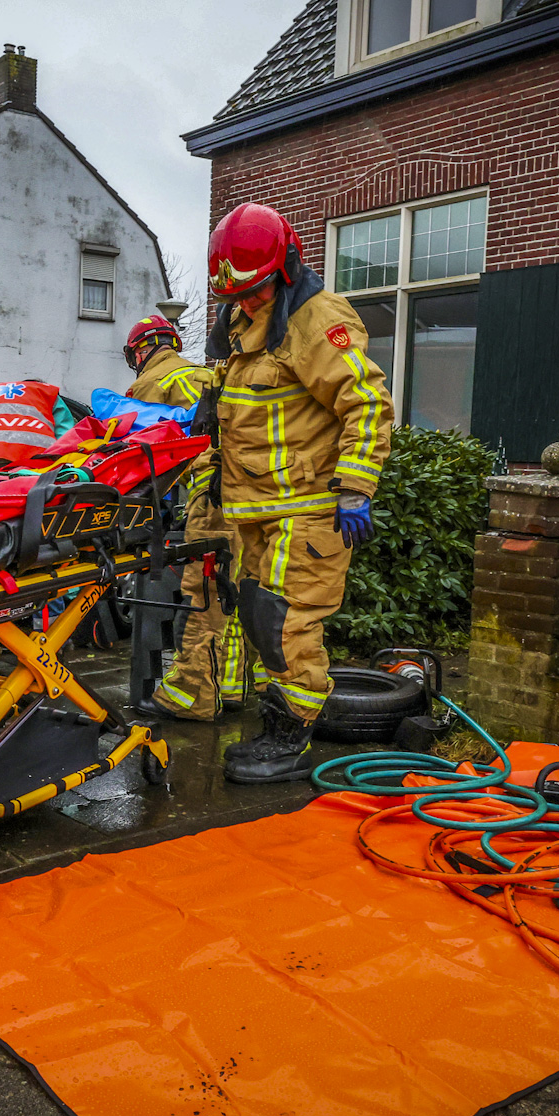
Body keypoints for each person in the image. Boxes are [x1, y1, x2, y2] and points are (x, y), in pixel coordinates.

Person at [204, 202, 392, 783]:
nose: (246, 302)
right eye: (236, 295)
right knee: (262, 618)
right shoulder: (246, 321)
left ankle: (291, 739)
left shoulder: (315, 319)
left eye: (255, 291)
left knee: (286, 624)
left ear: (285, 269)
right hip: (258, 509)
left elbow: (367, 403)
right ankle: (278, 725)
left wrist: (355, 485)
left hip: (307, 509)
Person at [122, 315, 262, 722]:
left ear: (140, 351)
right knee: (233, 586)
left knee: (204, 589)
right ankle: (228, 687)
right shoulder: (203, 374)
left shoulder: (150, 383)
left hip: (214, 487)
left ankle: (193, 694)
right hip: (251, 488)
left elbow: (142, 455)